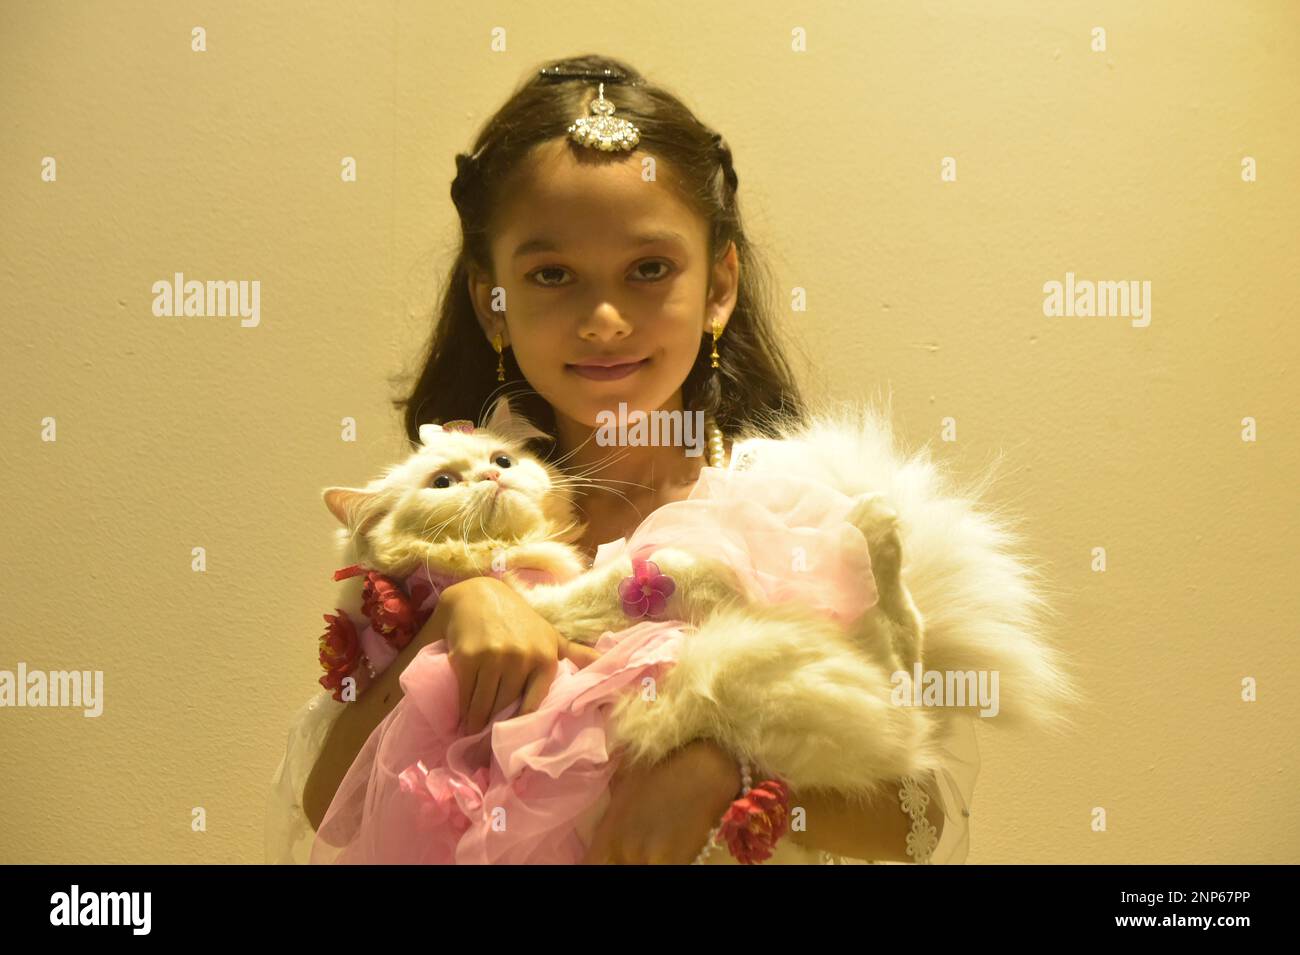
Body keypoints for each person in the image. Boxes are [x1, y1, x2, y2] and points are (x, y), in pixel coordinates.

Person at [266, 54, 999, 865]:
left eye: (649, 269)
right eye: (552, 274)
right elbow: (327, 800)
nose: (605, 318)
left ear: (720, 284)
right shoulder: (450, 531)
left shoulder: (806, 515)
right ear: (492, 299)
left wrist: (730, 766)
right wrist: (445, 621)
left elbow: (915, 819)